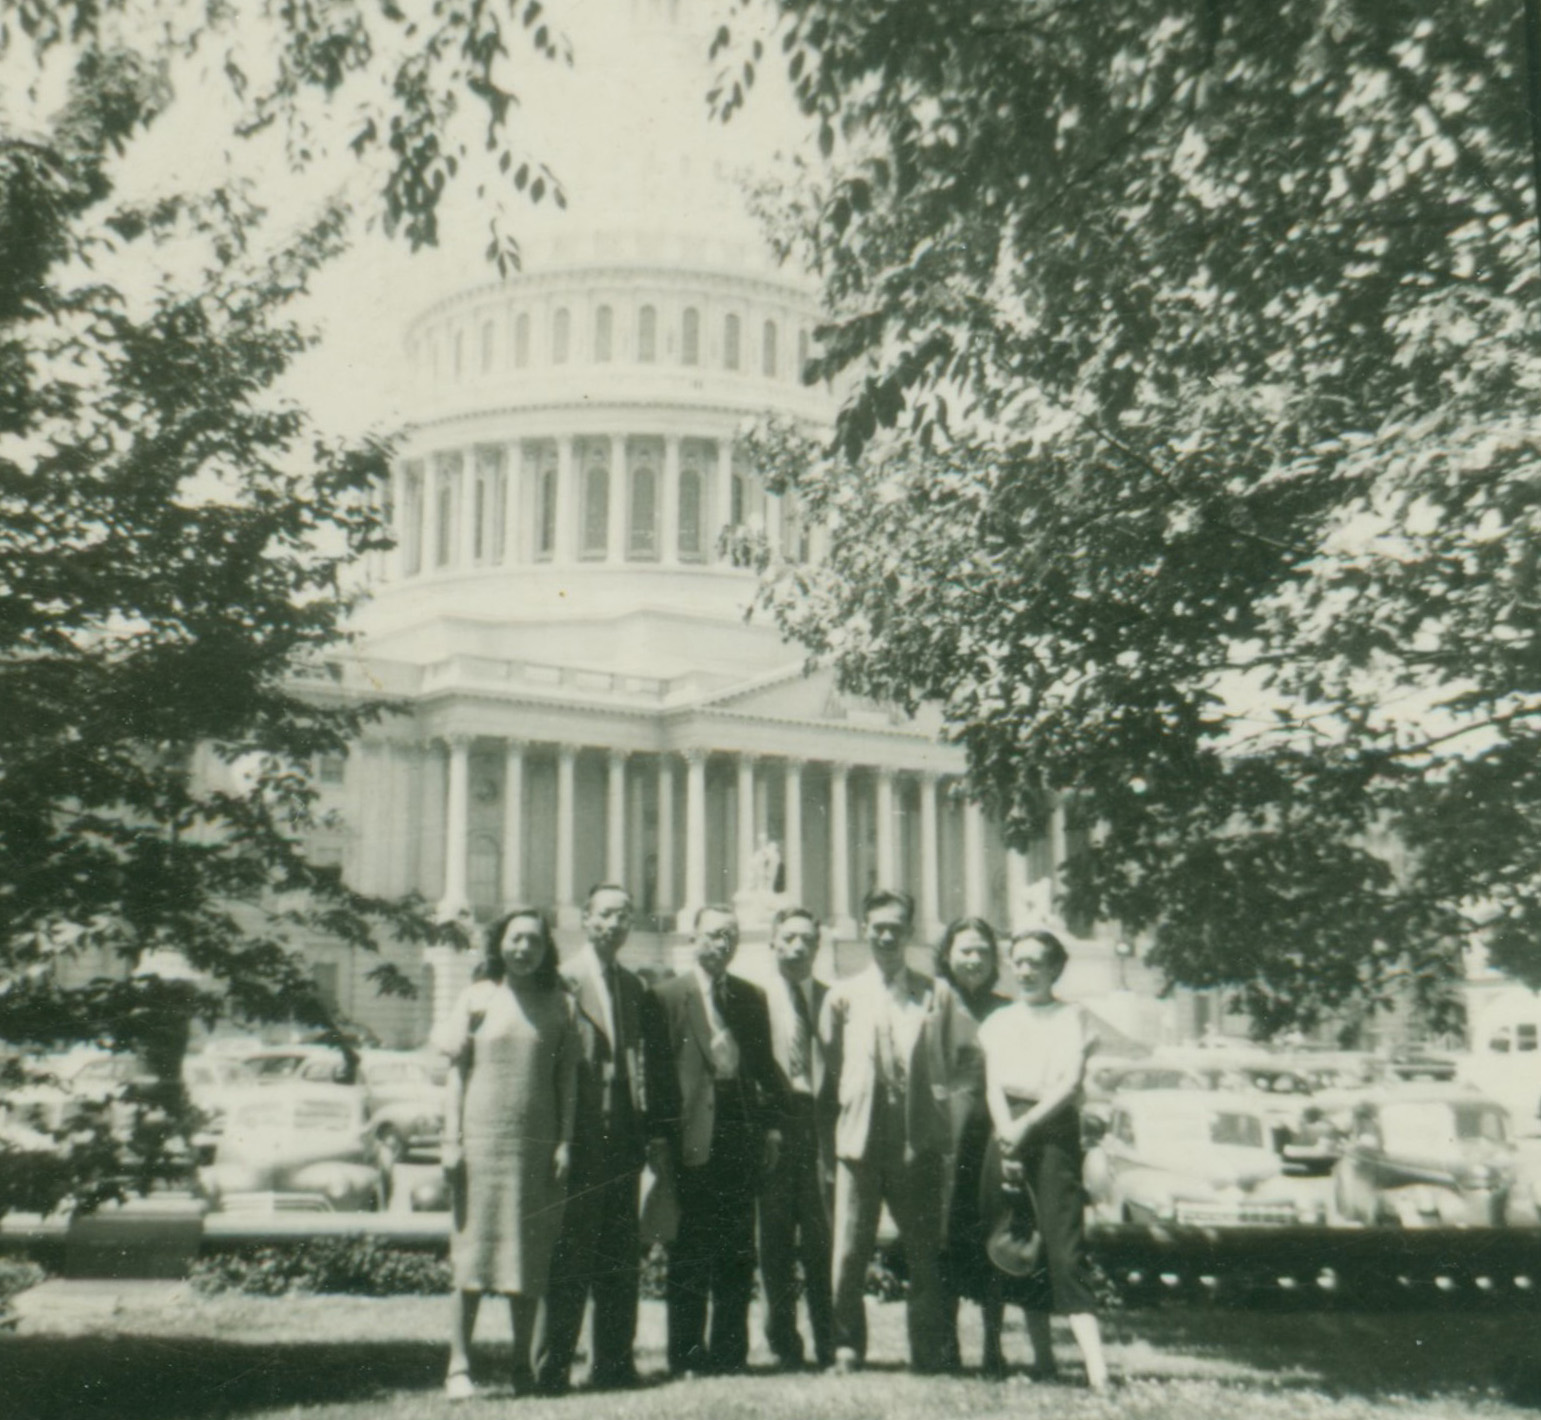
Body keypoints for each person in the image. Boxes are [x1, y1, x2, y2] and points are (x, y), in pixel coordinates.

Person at [533, 884, 679, 1395]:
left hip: (624, 1137)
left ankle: (613, 1364)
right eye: (607, 914)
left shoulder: (632, 986)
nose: (617, 924)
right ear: (586, 919)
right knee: (570, 1254)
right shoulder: (563, 981)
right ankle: (551, 1367)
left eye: (625, 915)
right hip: (580, 1135)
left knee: (619, 1254)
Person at [439, 908, 578, 1401]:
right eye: (515, 939)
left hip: (535, 1148)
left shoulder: (561, 1003)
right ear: (500, 944)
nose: (523, 949)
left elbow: (568, 1081)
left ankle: (523, 1366)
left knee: (528, 1259)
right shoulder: (476, 997)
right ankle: (459, 1366)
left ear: (545, 949)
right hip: (479, 1145)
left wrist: (564, 1141)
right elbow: (455, 1074)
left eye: (533, 942)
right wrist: (451, 1139)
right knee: (471, 1258)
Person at [654, 904, 789, 1376]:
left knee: (735, 1250)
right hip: (690, 1135)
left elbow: (765, 1070)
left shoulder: (751, 997)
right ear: (694, 939)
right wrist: (660, 1142)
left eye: (730, 935)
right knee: (690, 1250)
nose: (723, 943)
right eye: (713, 935)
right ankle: (686, 1355)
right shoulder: (667, 997)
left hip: (738, 1134)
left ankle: (731, 1354)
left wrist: (772, 1127)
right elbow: (657, 1073)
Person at [822, 886, 949, 1373]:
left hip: (915, 1140)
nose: (887, 936)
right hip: (860, 1137)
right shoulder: (843, 996)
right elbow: (832, 1067)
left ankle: (928, 1350)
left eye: (897, 927)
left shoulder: (935, 993)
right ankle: (847, 1346)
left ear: (911, 932)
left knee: (922, 1251)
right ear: (864, 930)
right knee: (851, 1251)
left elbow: (957, 1062)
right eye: (878, 927)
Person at [977, 928, 1109, 1393]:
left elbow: (1070, 1085)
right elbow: (993, 1084)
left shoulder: (1073, 1018)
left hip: (1050, 1128)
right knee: (1008, 1239)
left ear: (1056, 968)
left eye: (1037, 962)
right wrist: (1005, 1132)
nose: (1027, 970)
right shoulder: (998, 1022)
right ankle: (1020, 1358)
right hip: (1006, 1127)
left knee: (1063, 1245)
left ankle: (1098, 1372)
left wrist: (1024, 1127)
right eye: (1019, 961)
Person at [917, 917, 1012, 1375]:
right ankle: (948, 1346)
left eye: (983, 951)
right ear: (947, 955)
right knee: (947, 1242)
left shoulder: (1007, 1011)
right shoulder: (934, 1002)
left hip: (994, 1143)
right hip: (948, 1144)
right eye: (965, 950)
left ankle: (994, 1347)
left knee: (994, 1237)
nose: (974, 960)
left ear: (995, 960)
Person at [757, 905, 835, 1370]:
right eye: (787, 938)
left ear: (818, 946)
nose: (797, 947)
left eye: (806, 938)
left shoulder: (834, 1000)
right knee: (775, 1241)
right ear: (772, 943)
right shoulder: (754, 1000)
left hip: (819, 1127)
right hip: (774, 1126)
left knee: (824, 1238)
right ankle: (783, 1342)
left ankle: (830, 1341)